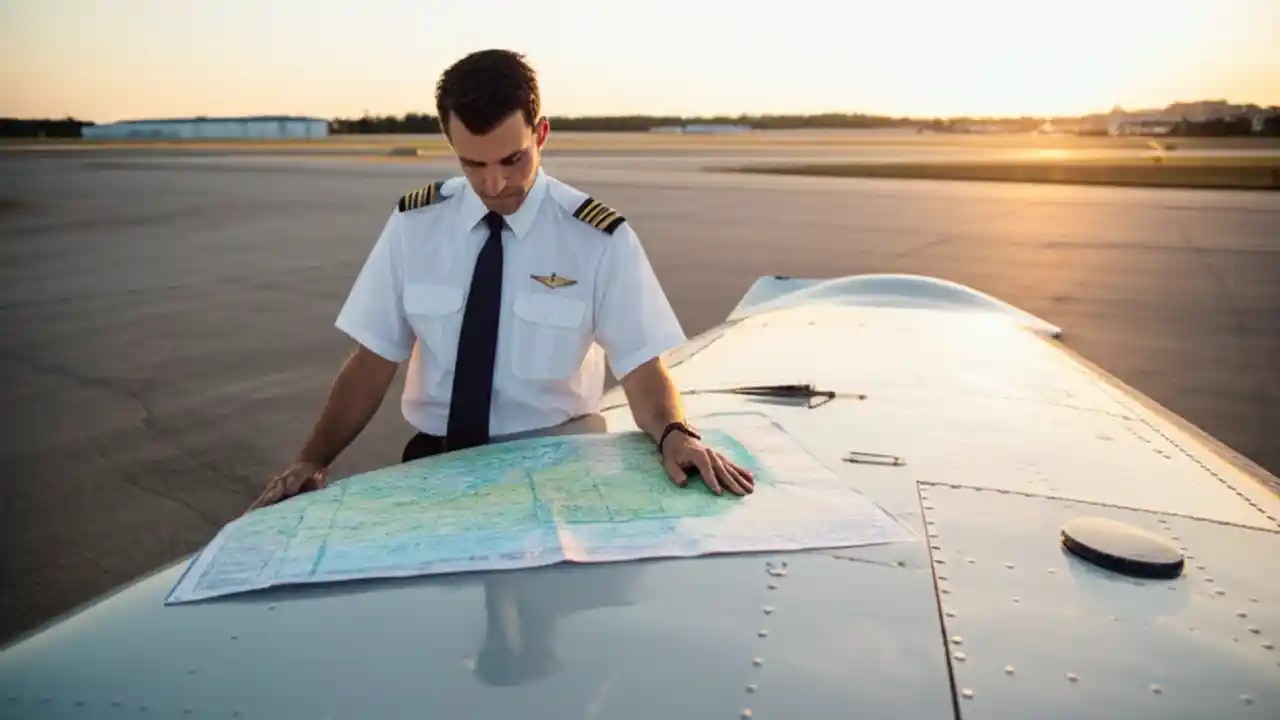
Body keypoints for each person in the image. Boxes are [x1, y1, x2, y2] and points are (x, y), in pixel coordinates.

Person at [247, 49, 754, 512]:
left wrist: (674, 433)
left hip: (557, 464)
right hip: (437, 465)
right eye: (473, 164)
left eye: (513, 160)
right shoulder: (414, 226)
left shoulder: (597, 237)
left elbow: (643, 368)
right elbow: (373, 360)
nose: (494, 184)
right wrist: (311, 460)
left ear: (541, 134)